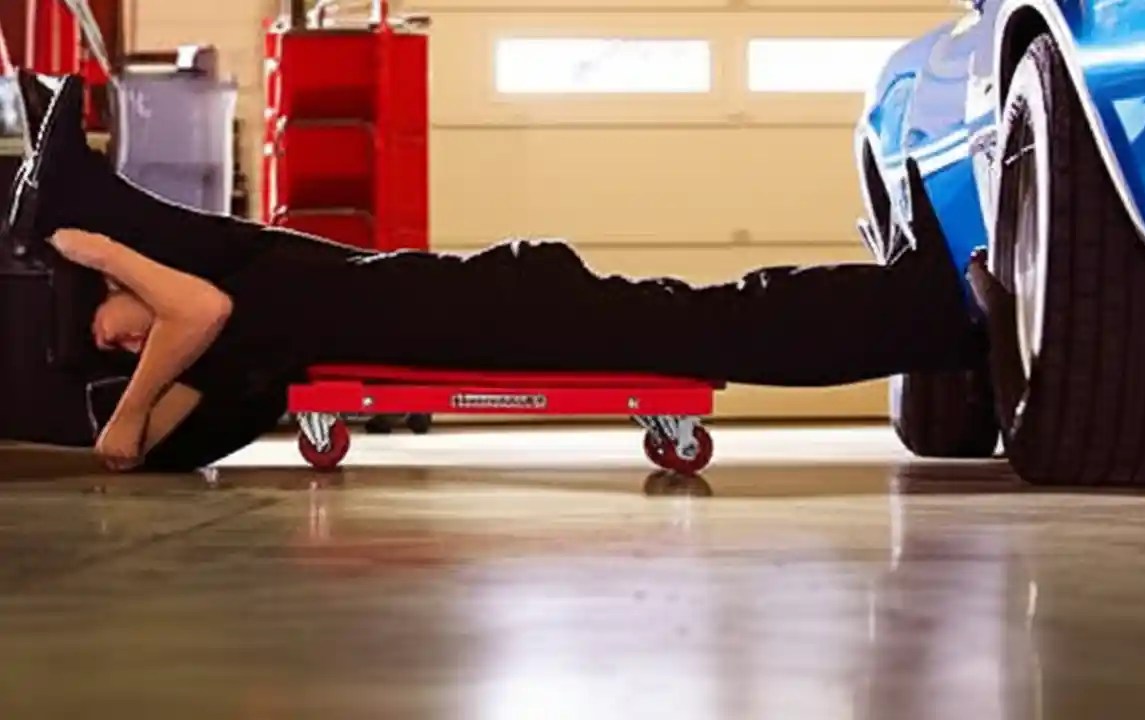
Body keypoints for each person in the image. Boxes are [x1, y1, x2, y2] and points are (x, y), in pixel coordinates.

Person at [5, 72, 983, 472]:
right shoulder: (212, 357)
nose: (116, 329)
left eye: (110, 311)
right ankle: (924, 314)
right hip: (505, 316)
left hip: (491, 297)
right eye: (115, 339)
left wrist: (103, 256)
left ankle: (917, 308)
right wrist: (118, 342)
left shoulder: (220, 293)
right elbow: (162, 389)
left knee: (713, 320)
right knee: (716, 326)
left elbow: (192, 298)